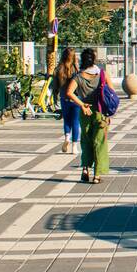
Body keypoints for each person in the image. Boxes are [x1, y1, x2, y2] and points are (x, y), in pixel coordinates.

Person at [66, 48, 109, 183]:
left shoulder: (78, 77)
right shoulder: (102, 74)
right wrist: (109, 112)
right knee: (99, 142)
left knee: (86, 141)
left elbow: (69, 92)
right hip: (100, 113)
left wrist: (82, 105)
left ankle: (85, 169)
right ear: (94, 60)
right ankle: (97, 175)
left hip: (85, 112)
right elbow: (111, 93)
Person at [51, 46, 80, 153]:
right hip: (76, 99)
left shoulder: (58, 69)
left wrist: (55, 99)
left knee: (67, 121)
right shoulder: (76, 70)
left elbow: (55, 87)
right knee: (76, 122)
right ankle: (74, 147)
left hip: (64, 99)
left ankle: (67, 137)